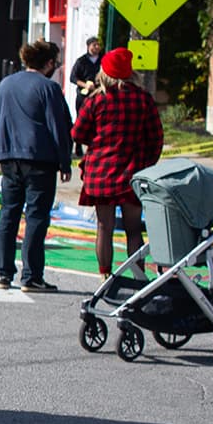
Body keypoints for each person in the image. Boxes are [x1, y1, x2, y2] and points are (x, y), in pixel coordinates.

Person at [0, 40, 73, 292]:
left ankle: (3, 273)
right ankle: (32, 275)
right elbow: (59, 126)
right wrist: (65, 160)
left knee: (8, 213)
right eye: (55, 64)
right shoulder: (49, 89)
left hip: (9, 158)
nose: (56, 68)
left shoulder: (5, 85)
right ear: (48, 64)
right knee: (36, 217)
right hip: (40, 159)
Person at [72, 47, 163, 276]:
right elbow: (156, 138)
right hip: (133, 174)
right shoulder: (144, 100)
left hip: (101, 173)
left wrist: (96, 142)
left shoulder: (96, 101)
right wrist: (147, 163)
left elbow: (77, 133)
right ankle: (138, 277)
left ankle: (105, 275)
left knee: (104, 227)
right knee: (134, 230)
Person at [69, 37, 103, 102]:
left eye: (98, 45)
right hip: (83, 96)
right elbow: (72, 78)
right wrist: (85, 85)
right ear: (88, 46)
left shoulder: (103, 59)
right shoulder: (81, 61)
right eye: (94, 45)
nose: (97, 47)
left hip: (99, 95)